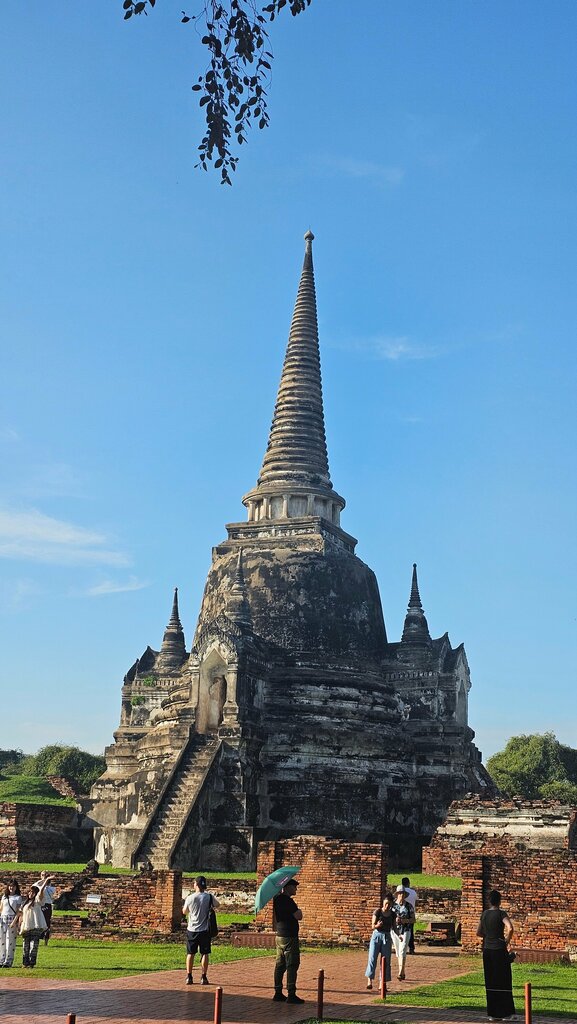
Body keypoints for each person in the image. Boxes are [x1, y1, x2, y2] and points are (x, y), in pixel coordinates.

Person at [476, 890, 516, 1022]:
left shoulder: (485, 914)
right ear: (499, 901)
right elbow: (510, 928)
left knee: (491, 981)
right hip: (499, 949)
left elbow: (479, 932)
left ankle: (492, 1013)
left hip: (488, 950)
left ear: (489, 901)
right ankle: (507, 1013)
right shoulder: (501, 914)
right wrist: (506, 941)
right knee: (504, 980)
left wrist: (489, 936)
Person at [182, 875, 220, 987]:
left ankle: (189, 976)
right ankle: (203, 977)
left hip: (192, 929)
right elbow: (218, 904)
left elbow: (184, 912)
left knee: (190, 953)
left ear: (196, 885)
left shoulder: (190, 898)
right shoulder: (208, 897)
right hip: (204, 930)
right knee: (205, 953)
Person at [272, 877, 304, 1004]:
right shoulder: (288, 901)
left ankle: (278, 992)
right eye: (294, 886)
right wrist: (299, 910)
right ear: (288, 887)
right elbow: (299, 916)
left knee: (280, 965)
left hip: (280, 935)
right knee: (292, 964)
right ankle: (291, 993)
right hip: (290, 936)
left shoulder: (277, 899)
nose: (295, 888)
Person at [12, 876, 55, 968]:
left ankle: (32, 963)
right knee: (25, 946)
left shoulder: (37, 901)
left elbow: (41, 892)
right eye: (30, 892)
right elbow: (21, 915)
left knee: (33, 946)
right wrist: (19, 926)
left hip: (35, 926)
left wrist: (46, 881)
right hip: (26, 926)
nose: (31, 894)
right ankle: (25, 963)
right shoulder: (24, 903)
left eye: (33, 892)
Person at [365, 892, 394, 990]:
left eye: (389, 904)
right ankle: (369, 980)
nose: (387, 906)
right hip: (377, 935)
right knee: (372, 958)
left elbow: (394, 927)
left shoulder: (392, 914)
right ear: (383, 903)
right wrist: (377, 925)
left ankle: (382, 983)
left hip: (386, 936)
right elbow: (373, 926)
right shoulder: (377, 912)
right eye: (385, 903)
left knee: (385, 961)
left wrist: (399, 936)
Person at [390, 884, 415, 981]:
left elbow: (413, 919)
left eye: (403, 893)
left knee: (403, 949)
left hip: (405, 930)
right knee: (397, 950)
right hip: (395, 930)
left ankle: (401, 971)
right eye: (400, 893)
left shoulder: (409, 906)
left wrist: (404, 921)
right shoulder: (392, 906)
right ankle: (402, 970)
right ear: (397, 895)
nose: (401, 895)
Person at [0, 880, 25, 968]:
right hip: (3, 918)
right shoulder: (4, 897)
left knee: (10, 941)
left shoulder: (18, 897)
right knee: (1, 940)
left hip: (12, 918)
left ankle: (8, 961)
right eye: (10, 886)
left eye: (13, 886)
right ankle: (1, 960)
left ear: (16, 887)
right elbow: (1, 909)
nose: (11, 888)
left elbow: (18, 911)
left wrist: (14, 922)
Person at [33, 871, 56, 945]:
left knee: (47, 922)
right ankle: (37, 938)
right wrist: (45, 880)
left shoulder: (51, 888)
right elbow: (34, 886)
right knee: (38, 921)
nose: (44, 876)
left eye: (45, 875)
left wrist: (47, 881)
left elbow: (49, 892)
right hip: (39, 905)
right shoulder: (38, 885)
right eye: (42, 875)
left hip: (47, 905)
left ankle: (46, 940)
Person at [401, 876, 418, 953]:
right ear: (408, 883)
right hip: (411, 914)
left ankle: (401, 947)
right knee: (410, 931)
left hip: (401, 914)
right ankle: (411, 948)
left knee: (400, 931)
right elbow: (416, 902)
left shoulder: (400, 892)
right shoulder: (413, 892)